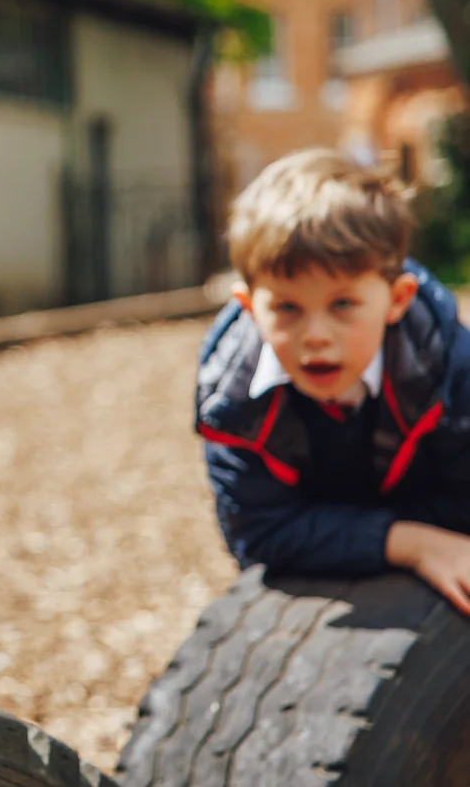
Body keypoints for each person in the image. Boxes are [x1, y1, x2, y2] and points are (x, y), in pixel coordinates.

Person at [199, 148, 470, 610]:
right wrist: (409, 541)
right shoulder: (233, 400)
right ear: (249, 308)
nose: (317, 336)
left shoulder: (444, 368)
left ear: (397, 299)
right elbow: (261, 532)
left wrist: (329, 529)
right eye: (287, 308)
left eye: (342, 304)